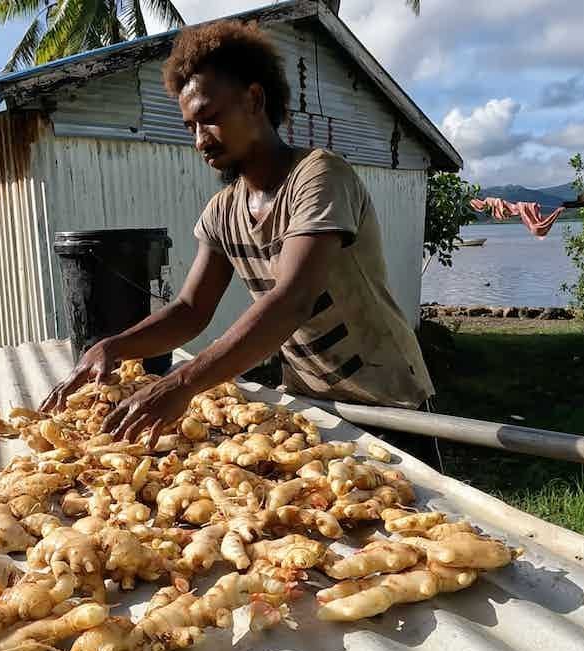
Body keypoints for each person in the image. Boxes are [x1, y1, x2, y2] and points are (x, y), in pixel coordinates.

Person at [39, 19, 433, 444]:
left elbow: (291, 301)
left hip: (390, 403)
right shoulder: (223, 211)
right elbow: (191, 308)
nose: (199, 141)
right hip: (313, 405)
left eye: (209, 118)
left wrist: (180, 384)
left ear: (254, 99)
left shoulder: (318, 177)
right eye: (190, 127)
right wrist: (114, 346)